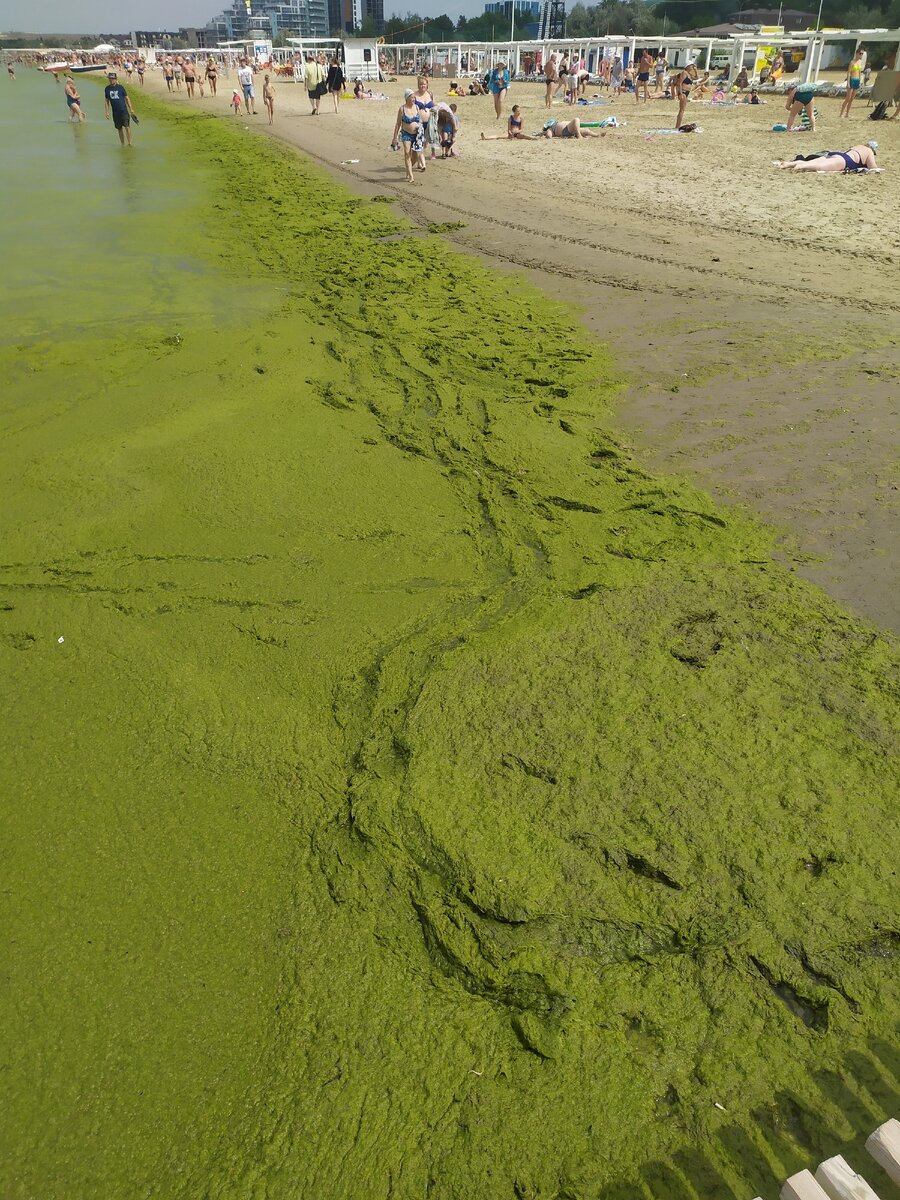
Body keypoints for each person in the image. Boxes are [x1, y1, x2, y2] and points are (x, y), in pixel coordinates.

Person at [391, 88, 425, 182]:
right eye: (411, 97)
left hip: (416, 135)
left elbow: (420, 121)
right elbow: (398, 124)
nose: (413, 99)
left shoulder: (417, 107)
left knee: (414, 156)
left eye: (414, 97)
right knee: (407, 153)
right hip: (406, 134)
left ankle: (408, 169)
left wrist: (421, 132)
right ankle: (411, 176)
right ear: (407, 98)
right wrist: (395, 138)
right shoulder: (402, 109)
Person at [775, 141, 878, 171]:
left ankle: (789, 164)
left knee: (812, 162)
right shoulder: (869, 151)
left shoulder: (858, 145)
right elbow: (873, 168)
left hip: (837, 154)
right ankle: (801, 166)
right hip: (845, 160)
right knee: (820, 167)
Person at [103, 70, 135, 146]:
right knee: (119, 128)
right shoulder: (107, 89)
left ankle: (130, 143)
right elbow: (107, 101)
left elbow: (127, 98)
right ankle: (122, 144)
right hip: (115, 112)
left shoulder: (120, 88)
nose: (111, 80)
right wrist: (107, 112)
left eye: (112, 79)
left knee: (127, 127)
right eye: (110, 79)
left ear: (115, 79)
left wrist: (131, 109)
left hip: (123, 111)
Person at [413, 76, 435, 158]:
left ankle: (423, 158)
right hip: (419, 122)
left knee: (427, 142)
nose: (423, 86)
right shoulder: (414, 95)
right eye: (421, 84)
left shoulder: (430, 94)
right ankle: (420, 161)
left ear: (427, 85)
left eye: (424, 84)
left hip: (429, 122)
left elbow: (434, 105)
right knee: (420, 142)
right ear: (418, 85)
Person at [840, 52, 862, 118]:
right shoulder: (852, 62)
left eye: (862, 54)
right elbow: (849, 73)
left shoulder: (860, 62)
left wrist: (860, 81)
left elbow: (860, 72)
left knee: (852, 98)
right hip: (852, 79)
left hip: (857, 80)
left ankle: (847, 113)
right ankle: (841, 113)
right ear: (857, 53)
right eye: (860, 53)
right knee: (848, 98)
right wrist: (848, 83)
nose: (861, 55)